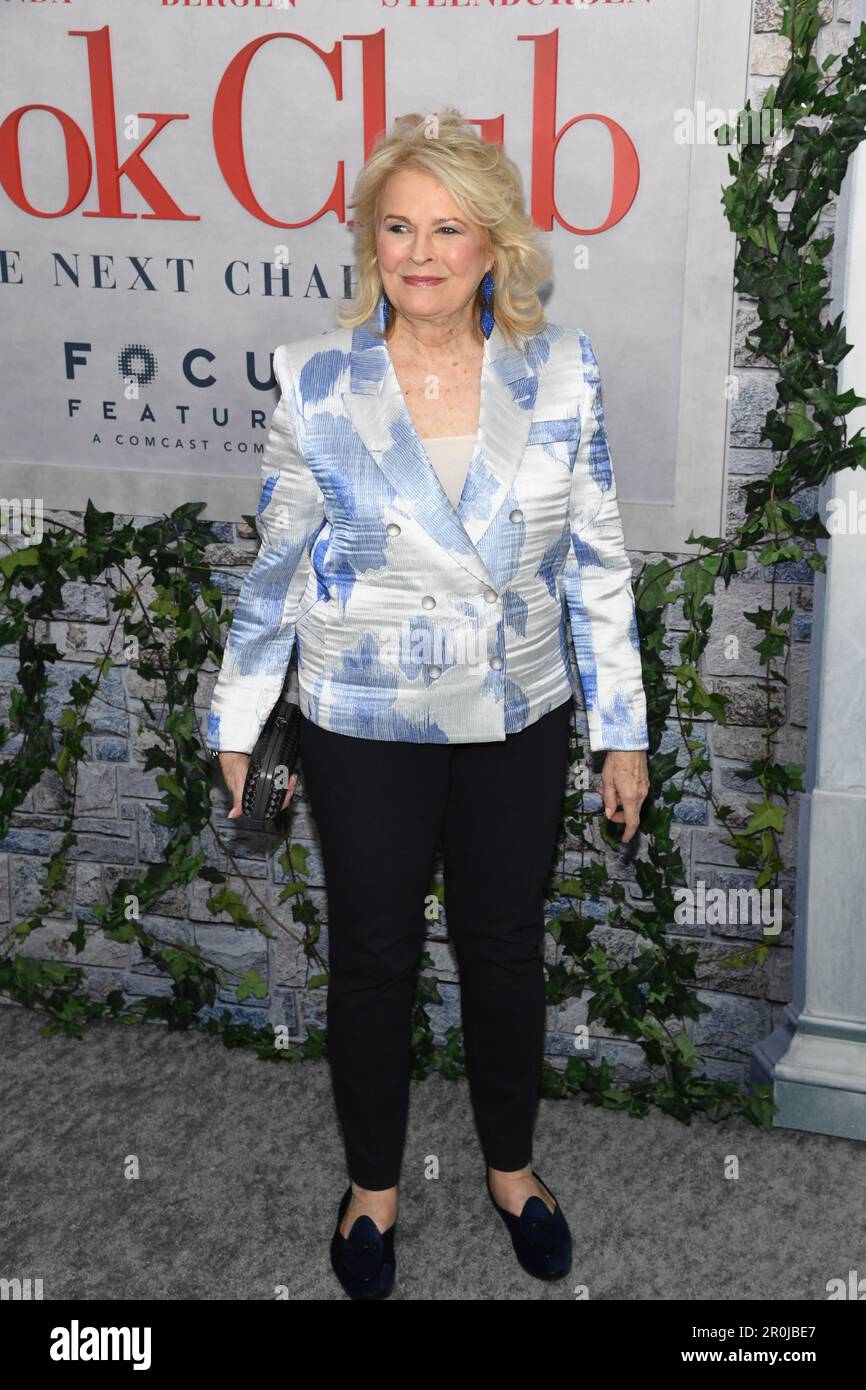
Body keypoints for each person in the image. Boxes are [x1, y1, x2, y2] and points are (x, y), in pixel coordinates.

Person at [207, 108, 650, 1299]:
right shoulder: (315, 376)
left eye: (446, 228)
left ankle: (511, 1169)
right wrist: (238, 719)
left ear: (491, 244)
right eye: (397, 226)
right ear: (370, 244)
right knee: (372, 957)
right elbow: (280, 561)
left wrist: (621, 727)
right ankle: (372, 1188)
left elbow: (596, 554)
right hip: (362, 717)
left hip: (517, 708)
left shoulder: (561, 367)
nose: (419, 252)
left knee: (503, 949)